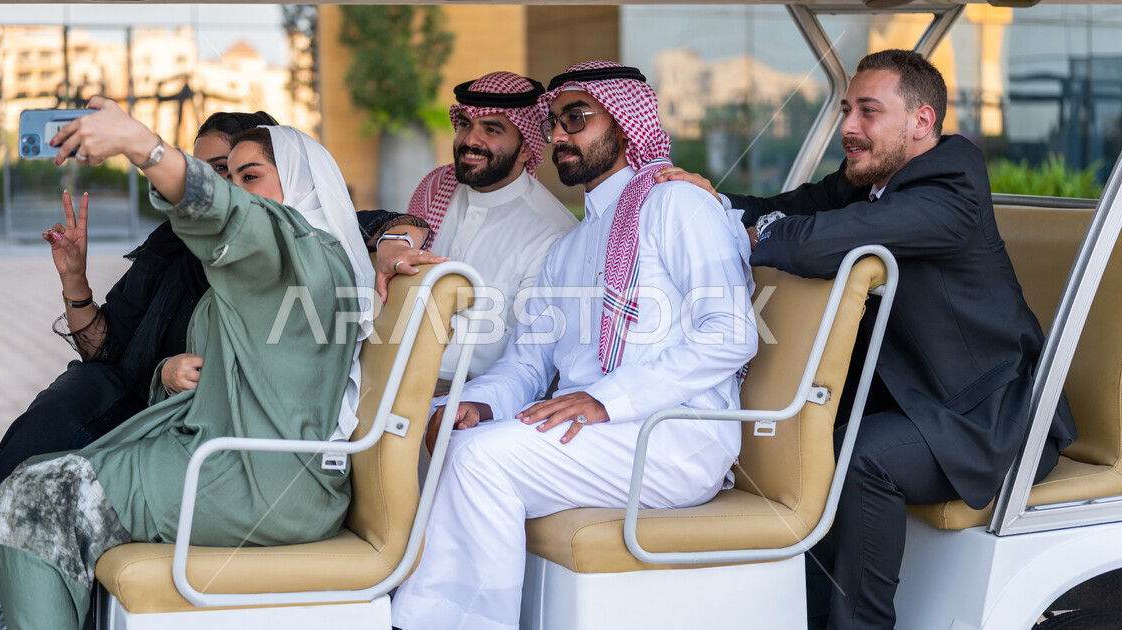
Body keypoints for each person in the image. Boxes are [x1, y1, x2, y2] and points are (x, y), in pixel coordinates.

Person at [658, 49, 1077, 629]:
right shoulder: (873, 179)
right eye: (847, 108)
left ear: (921, 122)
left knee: (860, 457)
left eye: (868, 112)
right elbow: (786, 210)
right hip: (914, 398)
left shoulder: (949, 191)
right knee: (804, 438)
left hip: (991, 415)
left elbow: (809, 243)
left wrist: (758, 232)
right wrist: (709, 201)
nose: (848, 127)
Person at [0, 97, 373, 630]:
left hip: (256, 478)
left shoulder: (296, 251)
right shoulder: (290, 261)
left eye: (248, 175)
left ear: (301, 181)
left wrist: (139, 143)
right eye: (227, 176)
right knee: (34, 470)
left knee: (34, 500)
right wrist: (165, 373)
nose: (234, 189)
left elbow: (224, 213)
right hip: (236, 461)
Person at [390, 61, 757, 630]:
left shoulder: (677, 205)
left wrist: (608, 399)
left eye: (577, 119)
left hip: (672, 434)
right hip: (601, 433)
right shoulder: (573, 243)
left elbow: (729, 332)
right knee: (443, 431)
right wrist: (480, 404)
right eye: (556, 123)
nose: (560, 135)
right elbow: (527, 362)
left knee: (481, 459)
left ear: (626, 124)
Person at [0, 110, 274, 626]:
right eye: (206, 169)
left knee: (39, 470)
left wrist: (394, 235)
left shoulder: (268, 244)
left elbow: (353, 224)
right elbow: (104, 348)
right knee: (30, 443)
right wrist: (75, 279)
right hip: (115, 389)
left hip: (171, 418)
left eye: (233, 171)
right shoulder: (174, 243)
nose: (217, 186)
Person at [393, 71, 577, 387]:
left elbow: (525, 355)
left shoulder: (553, 233)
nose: (470, 140)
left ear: (525, 148)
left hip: (471, 392)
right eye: (465, 124)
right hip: (392, 366)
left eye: (491, 129)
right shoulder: (436, 186)